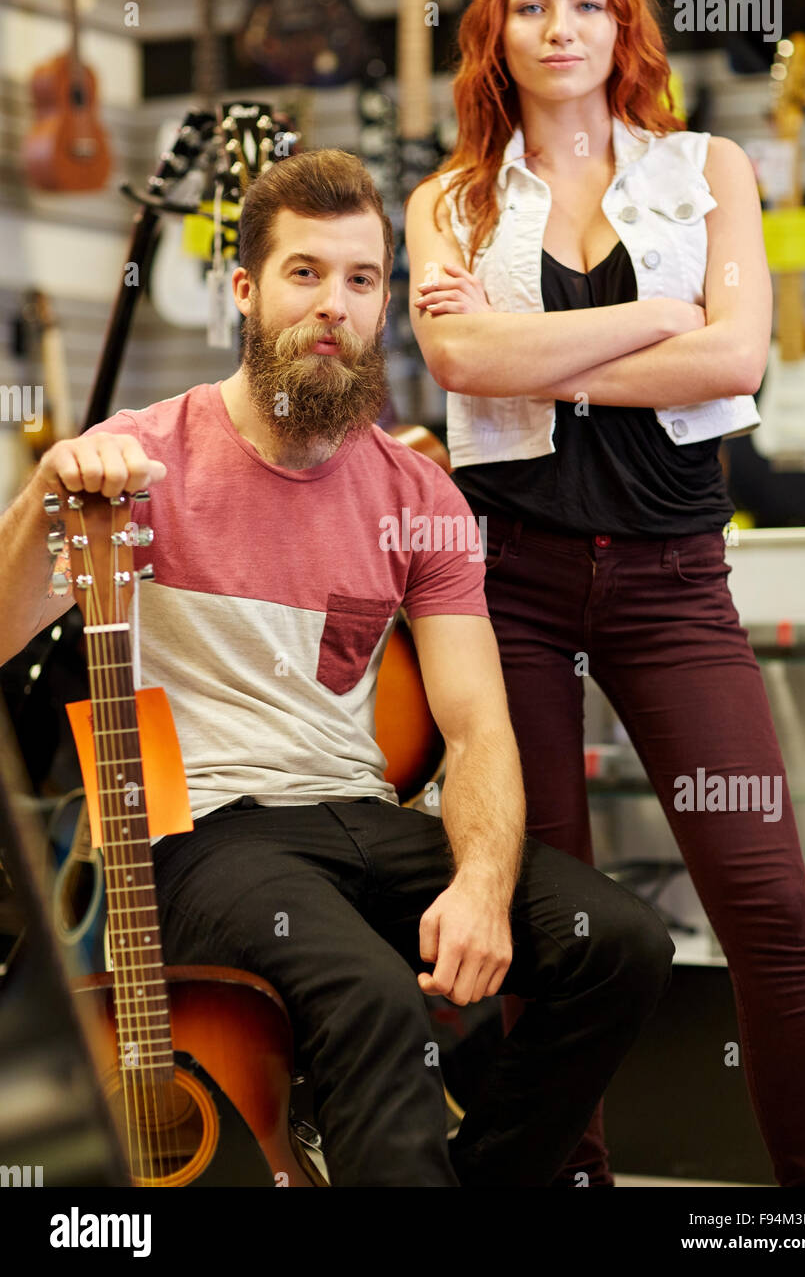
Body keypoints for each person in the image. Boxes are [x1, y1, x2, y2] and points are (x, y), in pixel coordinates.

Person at [0, 148, 674, 1187]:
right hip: (207, 831)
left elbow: (476, 728)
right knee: (373, 995)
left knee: (619, 940)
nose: (332, 306)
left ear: (385, 304)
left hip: (359, 814)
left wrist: (484, 889)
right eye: (303, 273)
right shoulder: (137, 460)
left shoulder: (418, 494)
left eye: (360, 280)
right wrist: (45, 485)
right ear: (245, 290)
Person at [405, 0, 805, 1187]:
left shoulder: (706, 168)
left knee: (767, 911)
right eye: (532, 5)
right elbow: (453, 359)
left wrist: (534, 357)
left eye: (585, 5)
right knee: (556, 926)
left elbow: (733, 359)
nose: (559, 29)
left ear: (622, 24)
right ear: (496, 27)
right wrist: (659, 320)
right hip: (507, 585)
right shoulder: (453, 196)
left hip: (672, 578)